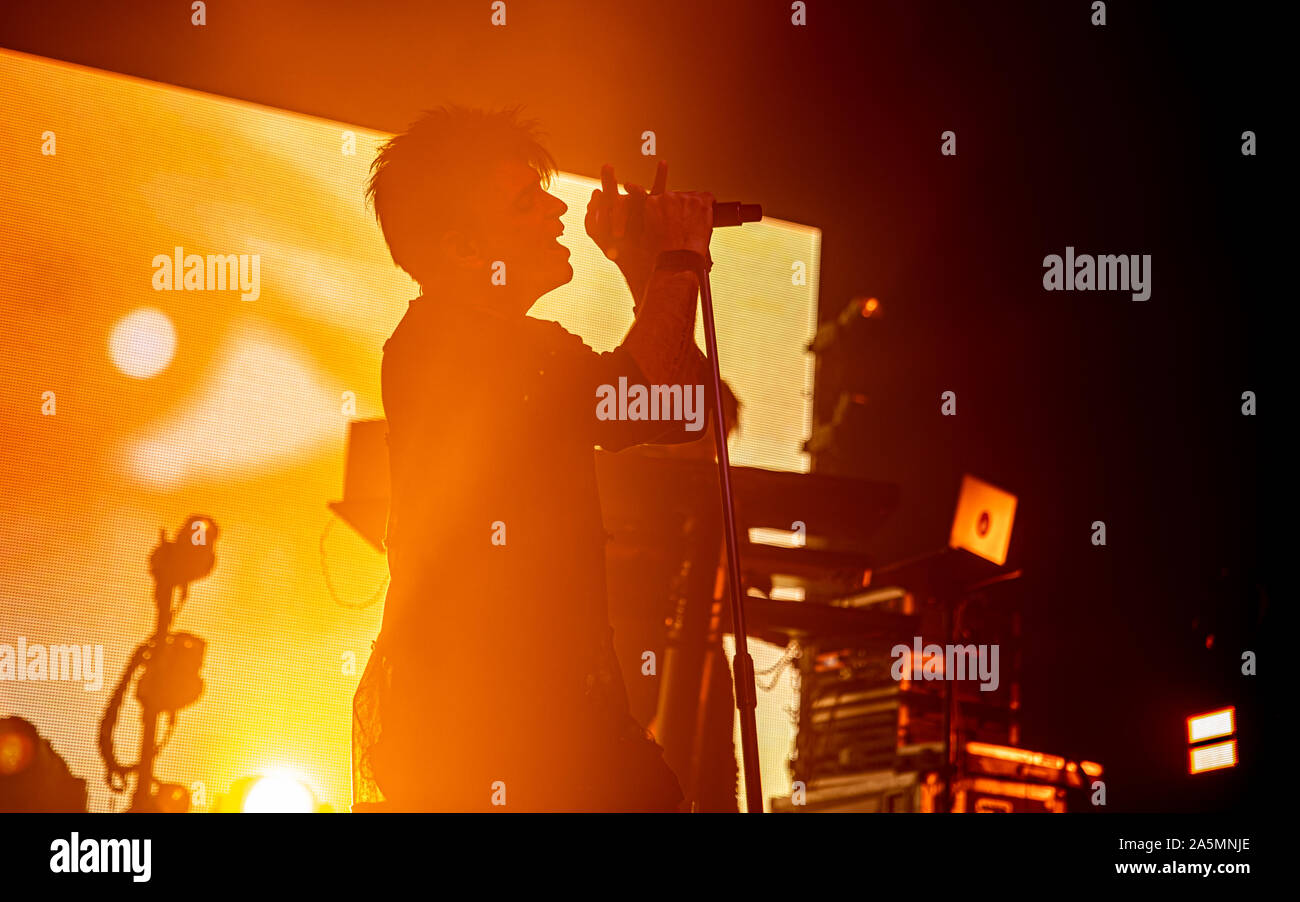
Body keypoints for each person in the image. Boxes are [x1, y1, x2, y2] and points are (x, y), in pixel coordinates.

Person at [351, 105, 718, 811]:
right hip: (492, 727)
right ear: (463, 249)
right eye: (526, 201)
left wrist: (646, 270)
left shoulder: (514, 344)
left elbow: (677, 410)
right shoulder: (458, 344)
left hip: (543, 716)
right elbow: (643, 395)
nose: (557, 208)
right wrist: (674, 259)